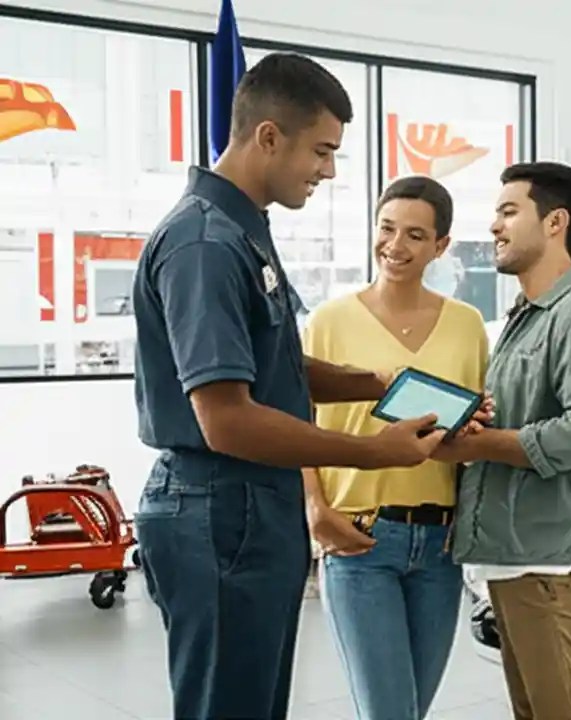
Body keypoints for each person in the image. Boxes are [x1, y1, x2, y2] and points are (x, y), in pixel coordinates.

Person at [130, 53, 464, 720]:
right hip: (219, 502)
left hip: (251, 504)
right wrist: (376, 451)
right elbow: (227, 419)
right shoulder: (206, 244)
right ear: (269, 138)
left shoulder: (244, 231)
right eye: (322, 151)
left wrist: (375, 384)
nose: (329, 171)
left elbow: (274, 365)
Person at [436, 161, 571, 720]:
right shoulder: (526, 319)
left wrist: (478, 446)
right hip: (519, 562)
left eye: (507, 211)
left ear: (555, 223)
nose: (494, 227)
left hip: (554, 567)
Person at [299, 174, 489, 720]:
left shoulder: (467, 325)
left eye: (414, 235)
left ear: (440, 246)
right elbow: (300, 425)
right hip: (359, 538)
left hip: (440, 546)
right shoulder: (328, 322)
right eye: (386, 229)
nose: (395, 246)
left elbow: (466, 430)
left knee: (410, 711)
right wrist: (315, 509)